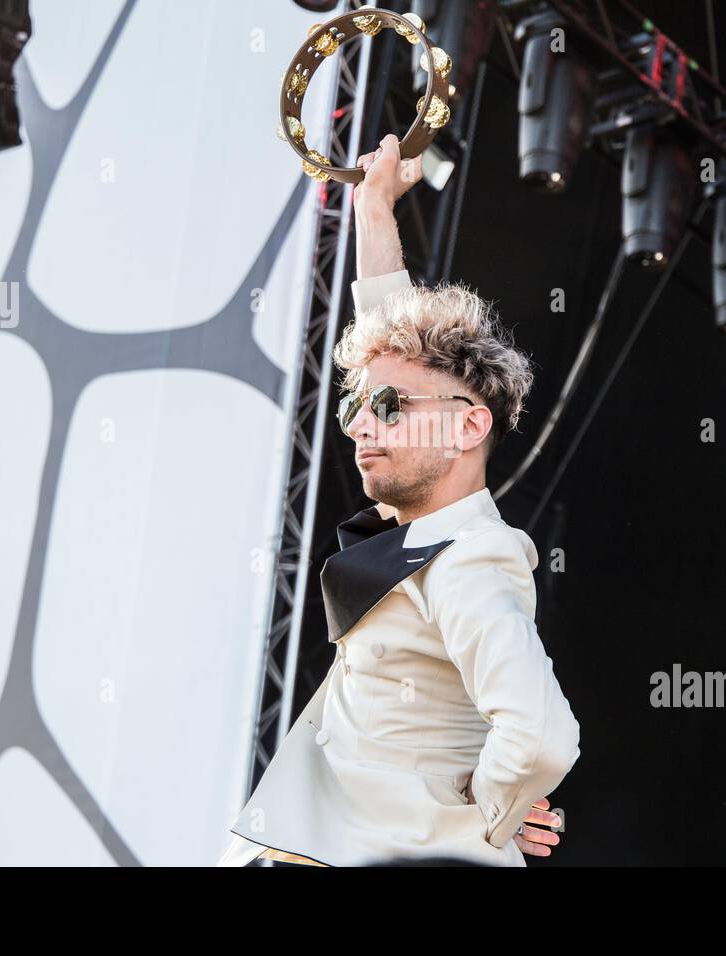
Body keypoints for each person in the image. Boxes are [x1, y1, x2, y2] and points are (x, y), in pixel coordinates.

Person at [216, 134, 579, 867]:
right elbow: (390, 326)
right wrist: (374, 207)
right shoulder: (419, 528)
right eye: (356, 403)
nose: (357, 423)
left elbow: (541, 734)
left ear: (468, 425)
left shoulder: (472, 557)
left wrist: (483, 818)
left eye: (387, 406)